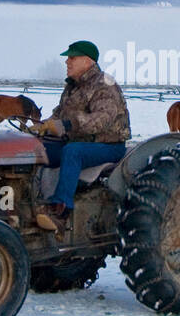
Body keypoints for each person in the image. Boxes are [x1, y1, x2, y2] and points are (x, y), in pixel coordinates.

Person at [32, 40, 131, 232]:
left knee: (72, 152)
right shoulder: (73, 87)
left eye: (72, 58)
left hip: (108, 146)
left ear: (87, 61)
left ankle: (60, 211)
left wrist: (67, 126)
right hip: (80, 142)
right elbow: (59, 114)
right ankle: (29, 202)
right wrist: (41, 127)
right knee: (36, 149)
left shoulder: (105, 84)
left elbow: (102, 119)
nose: (67, 62)